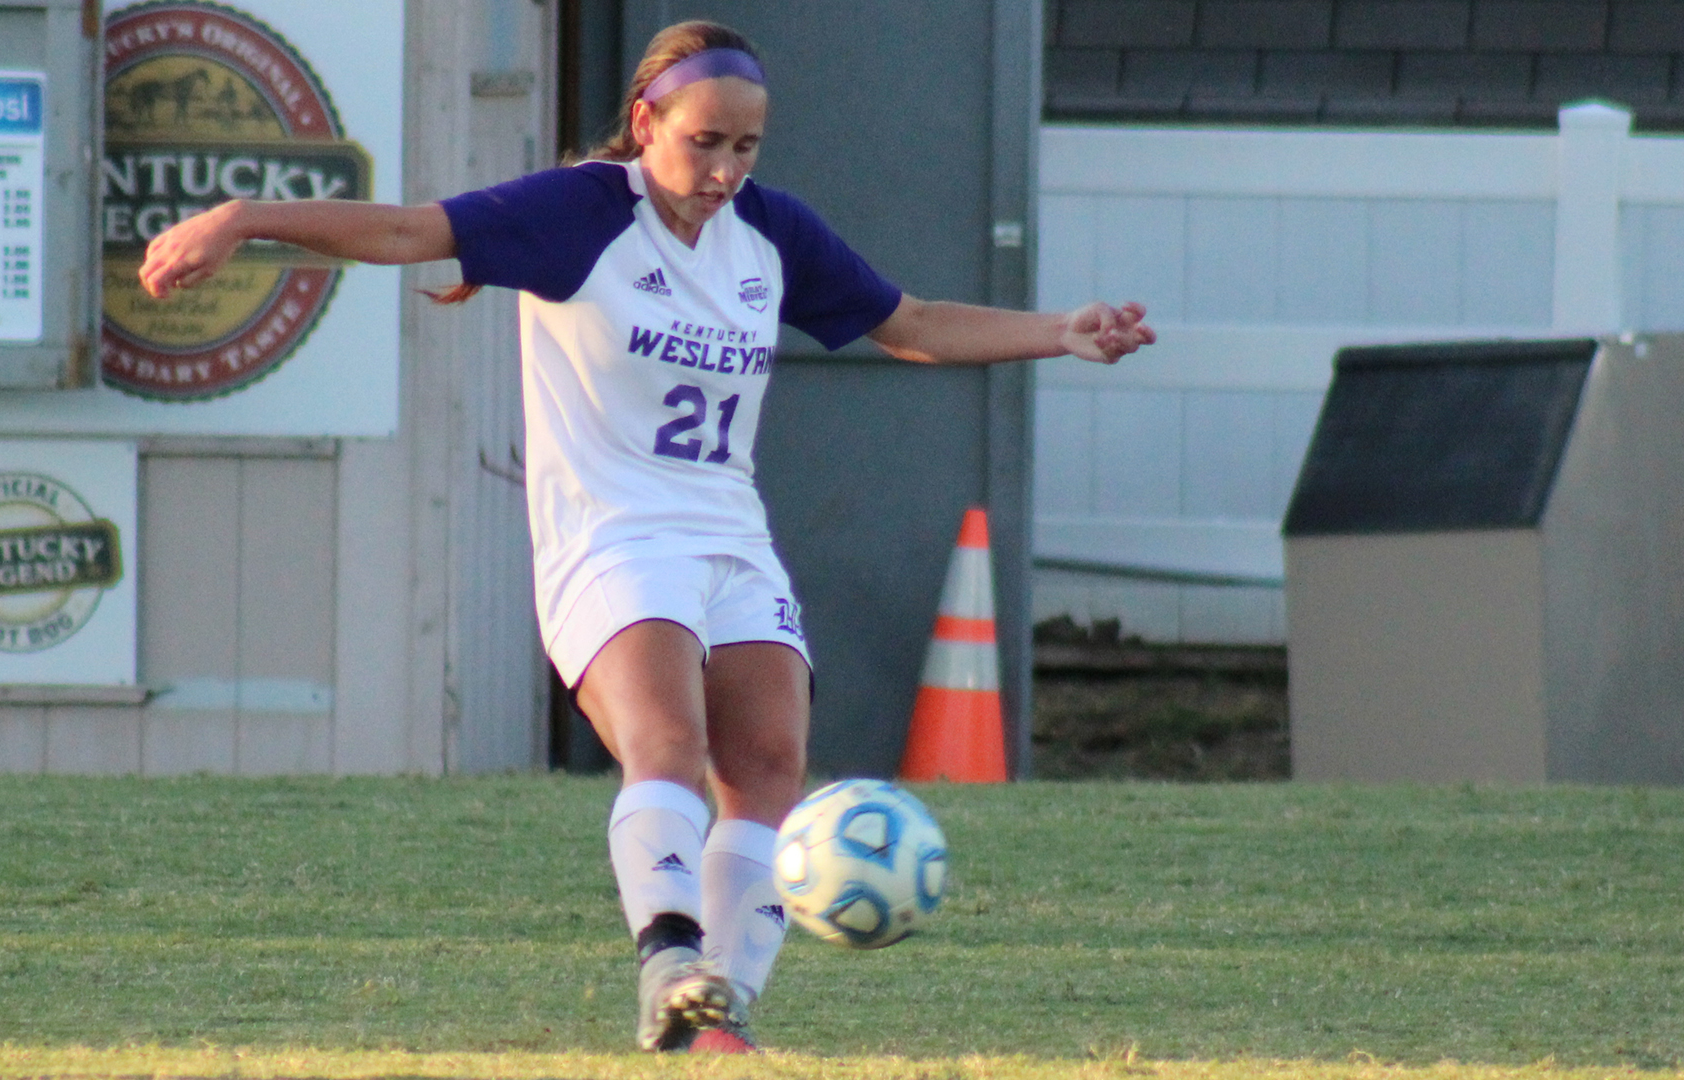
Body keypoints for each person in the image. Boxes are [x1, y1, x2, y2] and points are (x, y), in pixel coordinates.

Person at [138, 19, 1154, 1055]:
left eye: (745, 147)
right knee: (668, 742)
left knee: (769, 763)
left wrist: (1059, 333)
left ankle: (719, 1018)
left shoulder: (771, 233)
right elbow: (407, 232)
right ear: (646, 121)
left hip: (730, 536)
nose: (724, 171)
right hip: (612, 538)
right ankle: (668, 958)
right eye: (704, 142)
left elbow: (914, 324)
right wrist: (243, 217)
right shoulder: (580, 213)